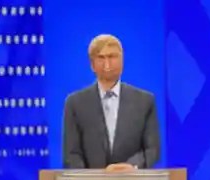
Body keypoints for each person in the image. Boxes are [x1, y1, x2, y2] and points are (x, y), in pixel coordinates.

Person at [62, 34, 161, 171]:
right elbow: (71, 154)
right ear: (92, 64)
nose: (107, 64)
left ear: (122, 61)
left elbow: (152, 150)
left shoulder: (145, 101)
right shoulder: (75, 103)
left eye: (112, 57)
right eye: (101, 58)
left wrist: (131, 166)